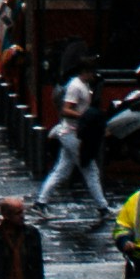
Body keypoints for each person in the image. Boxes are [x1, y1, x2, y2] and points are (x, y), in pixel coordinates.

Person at [37, 85, 113, 249]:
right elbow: (66, 110)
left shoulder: (81, 86)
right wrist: (85, 117)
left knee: (61, 170)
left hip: (68, 133)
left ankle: (41, 202)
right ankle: (103, 206)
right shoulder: (76, 87)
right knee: (90, 171)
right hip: (71, 134)